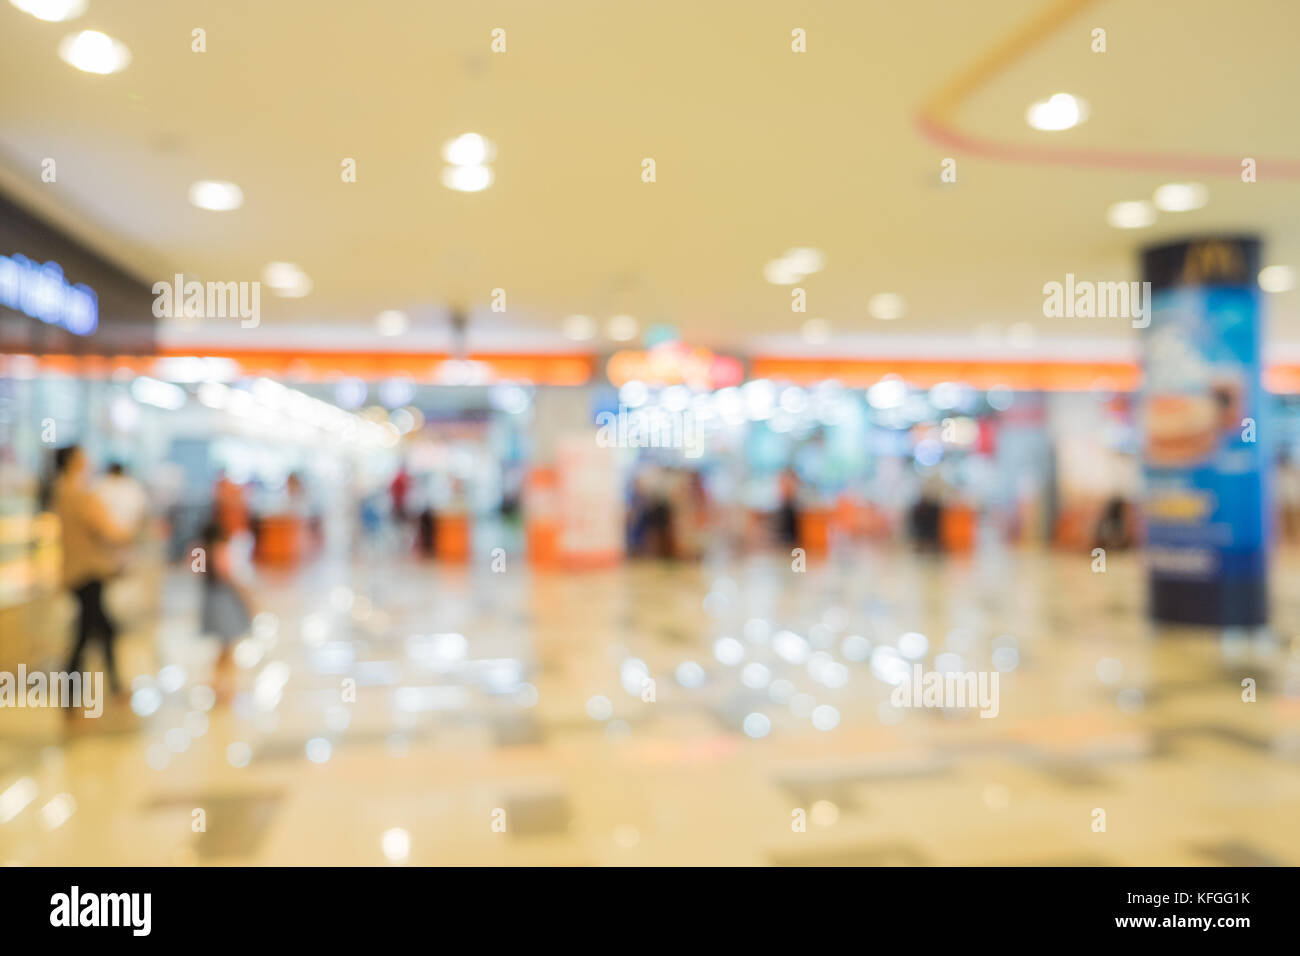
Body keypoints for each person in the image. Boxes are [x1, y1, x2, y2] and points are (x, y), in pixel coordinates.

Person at [50, 445, 132, 700]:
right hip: (88, 573)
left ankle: (115, 686)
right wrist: (129, 533)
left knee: (102, 629)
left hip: (76, 571)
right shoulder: (78, 494)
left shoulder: (61, 490)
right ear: (74, 461)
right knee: (87, 633)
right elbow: (108, 530)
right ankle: (72, 698)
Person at [198, 521, 253, 700]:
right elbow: (231, 575)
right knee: (229, 648)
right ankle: (227, 687)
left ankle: (216, 682)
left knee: (223, 647)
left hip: (210, 602)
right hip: (226, 602)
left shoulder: (200, 551)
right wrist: (249, 600)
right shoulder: (221, 551)